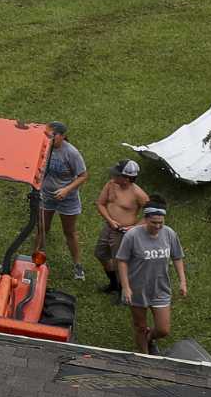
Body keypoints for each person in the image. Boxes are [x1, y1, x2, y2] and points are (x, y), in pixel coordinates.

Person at [116, 203, 187, 354]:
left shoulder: (169, 234)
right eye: (154, 222)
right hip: (137, 289)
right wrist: (126, 287)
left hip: (160, 289)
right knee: (140, 326)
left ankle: (150, 338)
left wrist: (182, 281)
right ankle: (144, 356)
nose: (158, 226)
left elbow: (177, 257)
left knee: (163, 329)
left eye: (161, 222)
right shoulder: (132, 236)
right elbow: (122, 260)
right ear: (145, 219)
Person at [35, 122, 90, 282]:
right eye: (48, 135)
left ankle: (78, 265)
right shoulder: (45, 147)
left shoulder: (71, 153)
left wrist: (66, 190)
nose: (49, 139)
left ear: (63, 135)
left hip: (68, 198)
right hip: (47, 194)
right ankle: (35, 260)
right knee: (42, 228)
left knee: (69, 232)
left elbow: (83, 176)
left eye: (53, 136)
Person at [93, 159, 153, 297]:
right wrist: (110, 220)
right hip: (109, 227)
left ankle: (123, 291)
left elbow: (150, 214)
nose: (113, 177)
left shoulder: (139, 194)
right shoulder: (111, 184)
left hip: (122, 233)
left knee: (120, 262)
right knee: (100, 254)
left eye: (117, 175)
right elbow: (100, 203)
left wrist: (134, 228)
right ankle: (114, 284)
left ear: (126, 178)